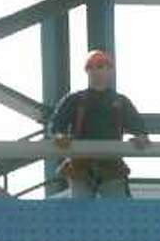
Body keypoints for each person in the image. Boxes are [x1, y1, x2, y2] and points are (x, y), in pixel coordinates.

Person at [48, 50, 149, 198]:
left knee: (115, 212)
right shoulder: (75, 100)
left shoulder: (120, 102)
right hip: (81, 166)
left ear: (109, 70)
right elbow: (56, 126)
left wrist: (141, 137)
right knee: (82, 212)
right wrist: (58, 136)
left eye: (100, 66)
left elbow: (140, 128)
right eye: (91, 67)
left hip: (111, 166)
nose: (95, 70)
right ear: (87, 71)